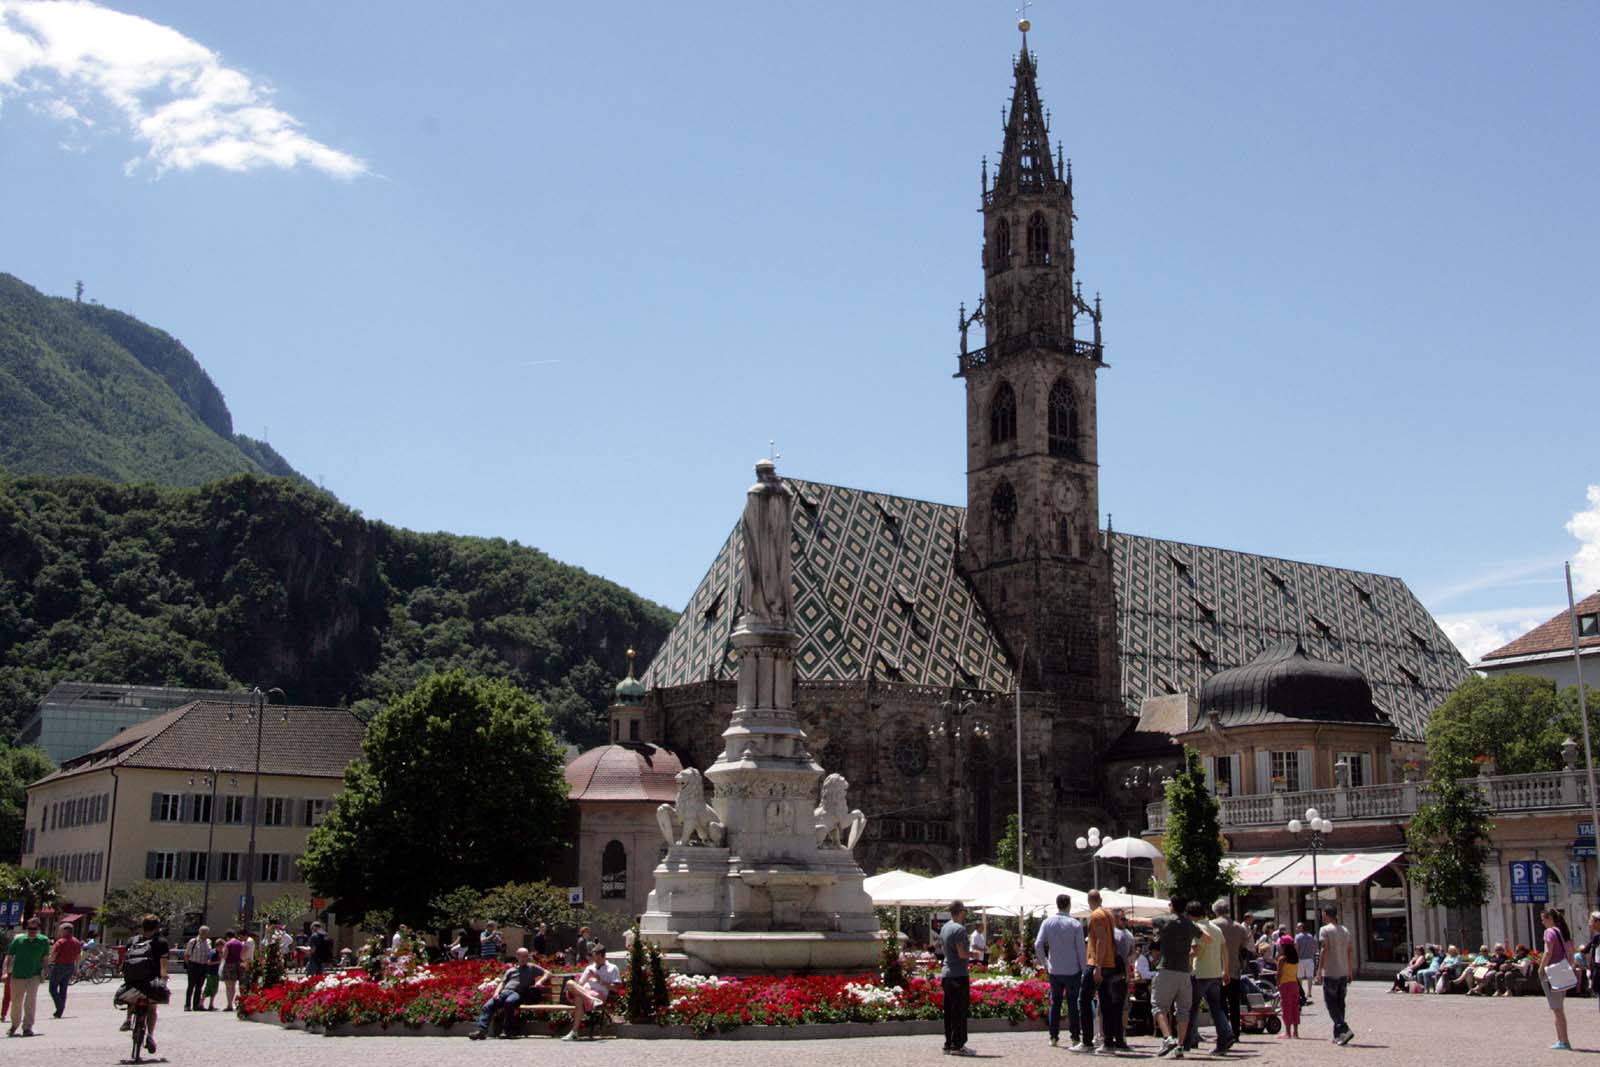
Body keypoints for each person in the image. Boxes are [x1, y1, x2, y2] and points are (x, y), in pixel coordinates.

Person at [1152, 895, 1209, 1059]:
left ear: (1172, 906)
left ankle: (1168, 1038)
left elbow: (1144, 921)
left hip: (1167, 969)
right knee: (1183, 1011)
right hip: (1184, 972)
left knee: (1158, 1006)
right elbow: (1207, 938)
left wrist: (1128, 920)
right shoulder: (1189, 924)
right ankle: (1180, 1047)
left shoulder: (1165, 920)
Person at [1033, 893, 1087, 1049]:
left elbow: (1038, 944)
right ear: (1069, 905)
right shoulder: (1075, 924)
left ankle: (1053, 1036)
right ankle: (1075, 1037)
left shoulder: (1047, 922)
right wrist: (1084, 970)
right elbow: (1081, 950)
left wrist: (1045, 963)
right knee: (1073, 1004)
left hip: (1055, 970)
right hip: (1073, 970)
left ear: (1057, 905)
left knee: (1055, 1003)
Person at [1182, 900, 1235, 1055]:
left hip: (1200, 973)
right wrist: (1225, 970)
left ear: (1190, 915)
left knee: (1192, 1008)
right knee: (1216, 1007)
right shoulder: (1216, 928)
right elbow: (1224, 950)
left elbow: (1195, 951)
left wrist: (1184, 959)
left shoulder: (1196, 928)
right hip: (1215, 973)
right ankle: (1226, 1035)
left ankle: (1189, 1040)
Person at [470, 947, 549, 1039]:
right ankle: (481, 1030)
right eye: (522, 956)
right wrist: (496, 993)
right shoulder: (510, 970)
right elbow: (502, 983)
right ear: (517, 957)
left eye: (526, 956)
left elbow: (548, 973)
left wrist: (540, 981)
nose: (524, 959)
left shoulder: (531, 967)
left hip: (518, 993)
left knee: (509, 1002)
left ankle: (508, 1031)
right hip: (504, 992)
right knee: (488, 1006)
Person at [117, 914, 169, 1055]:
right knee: (152, 1008)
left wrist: (123, 972)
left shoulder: (133, 940)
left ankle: (128, 1019)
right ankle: (150, 1036)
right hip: (152, 981)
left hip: (133, 979)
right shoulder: (161, 942)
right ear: (157, 927)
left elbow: (125, 960)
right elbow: (163, 963)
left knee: (131, 996)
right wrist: (164, 978)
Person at [1081, 890, 1118, 1053]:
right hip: (1109, 963)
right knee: (1107, 1004)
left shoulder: (1096, 915)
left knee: (1084, 1001)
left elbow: (1102, 939)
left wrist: (1098, 966)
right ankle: (1108, 1042)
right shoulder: (1109, 914)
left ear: (1089, 900)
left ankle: (1087, 1041)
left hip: (1097, 963)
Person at [1316, 903, 1356, 1046]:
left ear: (1326, 914)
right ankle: (1339, 1035)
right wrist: (1350, 970)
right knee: (1340, 1003)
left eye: (1322, 914)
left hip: (1331, 970)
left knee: (1331, 1003)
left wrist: (1319, 970)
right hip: (1343, 971)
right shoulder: (1345, 930)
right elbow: (1350, 950)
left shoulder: (1324, 930)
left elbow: (1324, 949)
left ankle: (1343, 1028)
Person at [940, 901, 976, 1056]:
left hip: (946, 973)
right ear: (961, 912)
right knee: (959, 1011)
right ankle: (958, 1045)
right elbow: (962, 953)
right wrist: (974, 955)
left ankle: (948, 1044)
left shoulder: (945, 927)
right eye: (965, 912)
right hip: (958, 974)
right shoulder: (959, 929)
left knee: (949, 1011)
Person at [562, 945, 620, 1040]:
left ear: (600, 955)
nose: (592, 958)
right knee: (569, 983)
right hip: (587, 993)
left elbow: (616, 988)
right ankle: (591, 1000)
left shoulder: (612, 968)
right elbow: (579, 985)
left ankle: (574, 1032)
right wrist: (586, 978)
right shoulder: (590, 968)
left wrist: (600, 980)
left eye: (594, 955)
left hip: (598, 994)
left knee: (579, 998)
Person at [4, 915, 49, 1036]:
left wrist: (45, 971)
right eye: (30, 928)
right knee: (16, 1002)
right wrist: (6, 971)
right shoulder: (19, 940)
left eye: (34, 929)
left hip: (34, 975)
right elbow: (10, 956)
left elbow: (45, 958)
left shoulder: (43, 941)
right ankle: (14, 1025)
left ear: (38, 929)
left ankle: (27, 1027)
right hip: (18, 975)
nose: (32, 931)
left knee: (30, 1001)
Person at [1541, 906, 1577, 1051]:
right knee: (1559, 1008)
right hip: (1563, 972)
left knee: (1557, 1009)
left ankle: (1563, 1040)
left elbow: (1548, 952)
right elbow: (1571, 955)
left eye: (1543, 919)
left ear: (1549, 919)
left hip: (1552, 973)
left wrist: (1541, 968)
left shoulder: (1549, 932)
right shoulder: (1564, 933)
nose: (1542, 922)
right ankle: (1563, 1039)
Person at [1213, 901, 1251, 1038]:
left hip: (1217, 969)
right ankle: (1235, 1031)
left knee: (1220, 1002)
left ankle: (1224, 1031)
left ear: (1216, 911)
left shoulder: (1213, 925)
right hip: (1234, 969)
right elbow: (1243, 950)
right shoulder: (1240, 928)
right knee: (1234, 1002)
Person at [1109, 909, 1136, 1052]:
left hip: (1110, 974)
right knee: (1119, 1009)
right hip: (1119, 975)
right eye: (1122, 919)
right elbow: (1128, 959)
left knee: (1111, 1009)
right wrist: (1128, 976)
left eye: (1125, 919)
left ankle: (1109, 1038)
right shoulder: (1122, 936)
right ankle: (1119, 1039)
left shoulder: (1126, 935)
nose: (1125, 922)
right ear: (1115, 919)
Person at [45, 920, 83, 1019]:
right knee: (63, 988)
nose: (59, 932)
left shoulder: (60, 942)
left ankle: (60, 1007)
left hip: (59, 966)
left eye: (60, 930)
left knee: (52, 989)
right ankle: (60, 1010)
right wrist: (77, 968)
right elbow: (78, 956)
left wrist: (48, 963)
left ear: (65, 931)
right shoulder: (77, 942)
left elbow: (54, 954)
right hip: (70, 966)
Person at [183, 924, 212, 1011]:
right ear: (199, 932)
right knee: (191, 986)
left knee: (199, 986)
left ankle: (196, 1005)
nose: (204, 933)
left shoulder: (208, 942)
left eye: (206, 932)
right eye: (202, 931)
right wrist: (189, 965)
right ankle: (187, 1005)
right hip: (193, 965)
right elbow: (187, 955)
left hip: (203, 966)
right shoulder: (193, 941)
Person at [1277, 937, 1301, 1038]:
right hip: (1295, 984)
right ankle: (1296, 1031)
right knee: (1295, 1007)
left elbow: (1279, 974)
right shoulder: (1295, 958)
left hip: (1285, 985)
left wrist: (1277, 984)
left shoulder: (1282, 959)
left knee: (1286, 1008)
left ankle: (1287, 1032)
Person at [221, 928, 246, 1010]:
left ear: (227, 936)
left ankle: (229, 1005)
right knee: (236, 985)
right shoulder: (240, 943)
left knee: (229, 986)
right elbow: (242, 953)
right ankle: (240, 1003)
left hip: (229, 965)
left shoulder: (228, 944)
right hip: (239, 964)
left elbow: (225, 955)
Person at [1294, 921, 1317, 998]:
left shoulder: (1297, 937)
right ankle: (1309, 992)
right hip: (1310, 959)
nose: (1296, 928)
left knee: (1300, 976)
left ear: (1301, 928)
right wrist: (1312, 954)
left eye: (1297, 927)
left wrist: (1296, 956)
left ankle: (1301, 992)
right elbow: (1314, 947)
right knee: (1310, 976)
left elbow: (1296, 948)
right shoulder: (1310, 936)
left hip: (1300, 959)